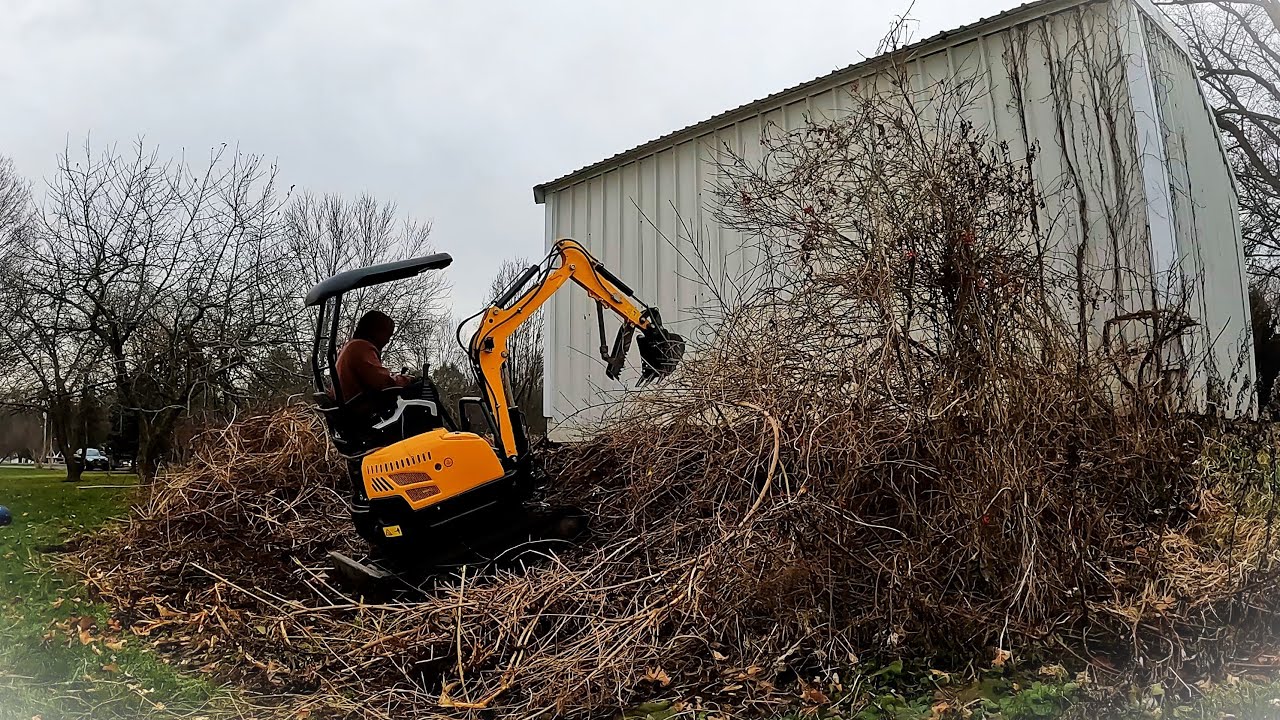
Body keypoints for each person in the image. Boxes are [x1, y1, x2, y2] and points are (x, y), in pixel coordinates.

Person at [335, 310, 413, 405]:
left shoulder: (350, 346)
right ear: (377, 331)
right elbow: (384, 383)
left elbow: (374, 377)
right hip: (360, 408)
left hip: (351, 403)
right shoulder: (361, 347)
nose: (388, 341)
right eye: (388, 335)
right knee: (421, 386)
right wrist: (408, 380)